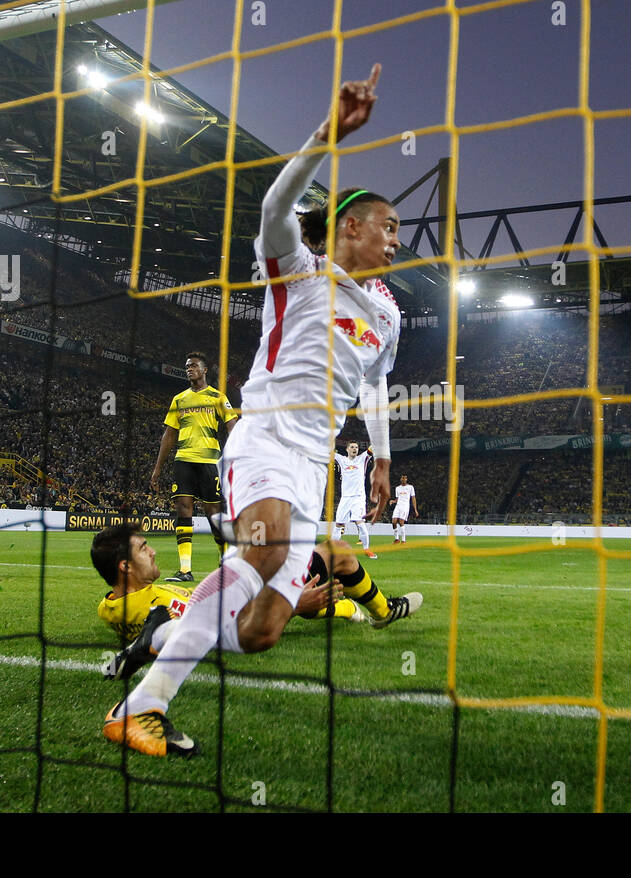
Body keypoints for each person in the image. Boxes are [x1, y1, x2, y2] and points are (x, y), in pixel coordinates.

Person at [102, 63, 423, 758]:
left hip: (315, 470)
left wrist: (383, 463)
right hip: (265, 442)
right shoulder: (299, 274)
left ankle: (161, 633)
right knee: (265, 539)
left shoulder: (387, 316)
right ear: (348, 228)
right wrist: (328, 132)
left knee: (261, 630)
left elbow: (372, 390)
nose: (397, 242)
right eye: (388, 228)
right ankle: (141, 707)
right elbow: (275, 207)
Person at [92, 523, 416, 676]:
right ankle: (381, 611)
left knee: (321, 556)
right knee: (337, 552)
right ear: (125, 566)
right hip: (252, 603)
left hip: (240, 591)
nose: (152, 550)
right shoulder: (145, 607)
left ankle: (349, 610)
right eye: (143, 547)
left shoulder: (114, 606)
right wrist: (290, 604)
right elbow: (215, 629)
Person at [151, 352, 238, 580]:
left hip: (210, 461)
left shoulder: (218, 397)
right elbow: (169, 435)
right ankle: (185, 569)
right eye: (187, 366)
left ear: (205, 369)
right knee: (183, 508)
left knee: (214, 514)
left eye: (194, 365)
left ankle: (225, 561)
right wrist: (158, 468)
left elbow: (233, 427)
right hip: (184, 460)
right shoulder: (179, 399)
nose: (189, 369)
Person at [332, 441, 377, 557]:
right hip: (345, 497)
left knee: (360, 523)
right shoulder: (342, 459)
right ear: (347, 449)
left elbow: (372, 448)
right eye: (352, 447)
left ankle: (367, 549)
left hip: (358, 497)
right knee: (338, 524)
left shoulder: (362, 459)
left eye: (356, 447)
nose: (354, 449)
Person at [391, 474, 417, 543]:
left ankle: (403, 540)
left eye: (405, 478)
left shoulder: (410, 487)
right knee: (393, 522)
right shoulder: (397, 488)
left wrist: (415, 509)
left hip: (405, 506)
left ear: (407, 479)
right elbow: (397, 499)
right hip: (398, 506)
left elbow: (413, 498)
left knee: (401, 521)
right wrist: (393, 501)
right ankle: (396, 539)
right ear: (400, 479)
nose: (404, 479)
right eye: (402, 478)